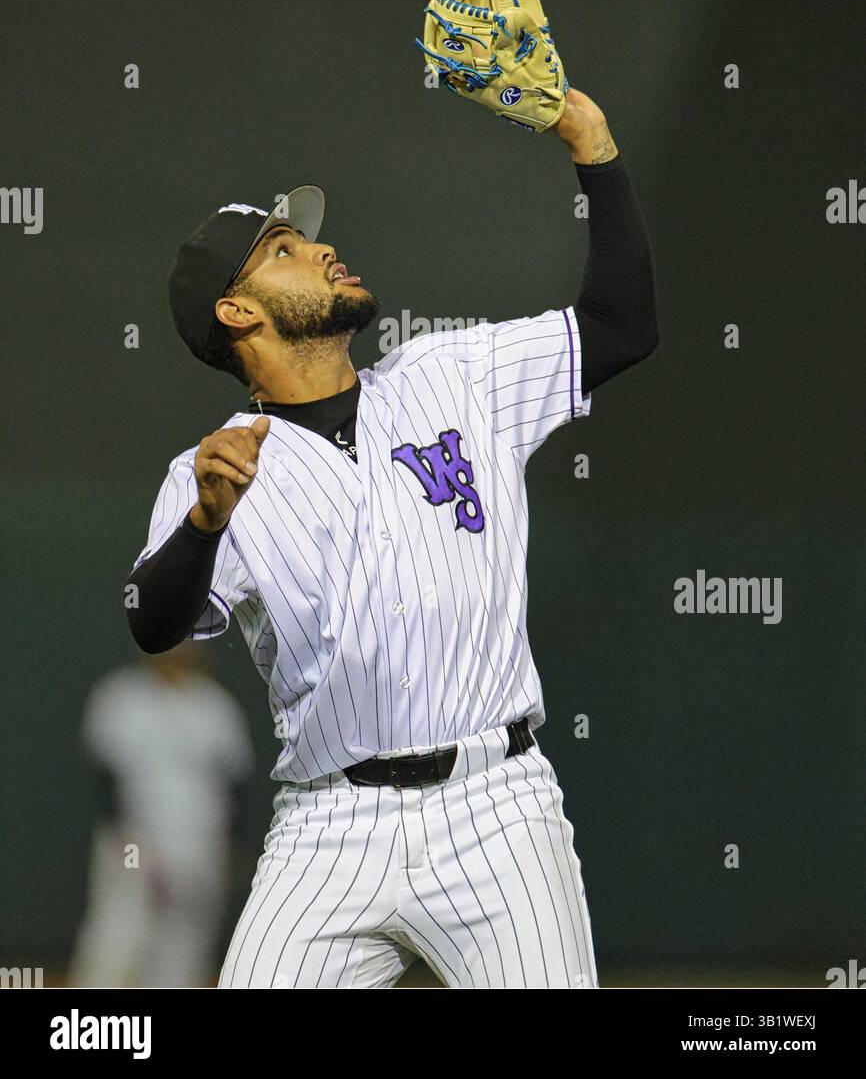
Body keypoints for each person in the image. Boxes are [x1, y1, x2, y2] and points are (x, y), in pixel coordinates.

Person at [126, 85, 658, 988]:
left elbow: (621, 326)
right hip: (330, 827)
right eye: (285, 252)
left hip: (498, 807)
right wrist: (206, 522)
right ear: (237, 312)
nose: (324, 249)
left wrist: (591, 141)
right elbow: (153, 621)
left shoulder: (452, 376)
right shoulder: (211, 471)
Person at [69, 644, 254, 988]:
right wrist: (129, 839)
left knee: (185, 946)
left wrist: (229, 846)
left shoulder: (215, 706)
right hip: (133, 842)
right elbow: (105, 779)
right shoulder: (121, 696)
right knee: (119, 934)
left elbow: (236, 786)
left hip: (199, 843)